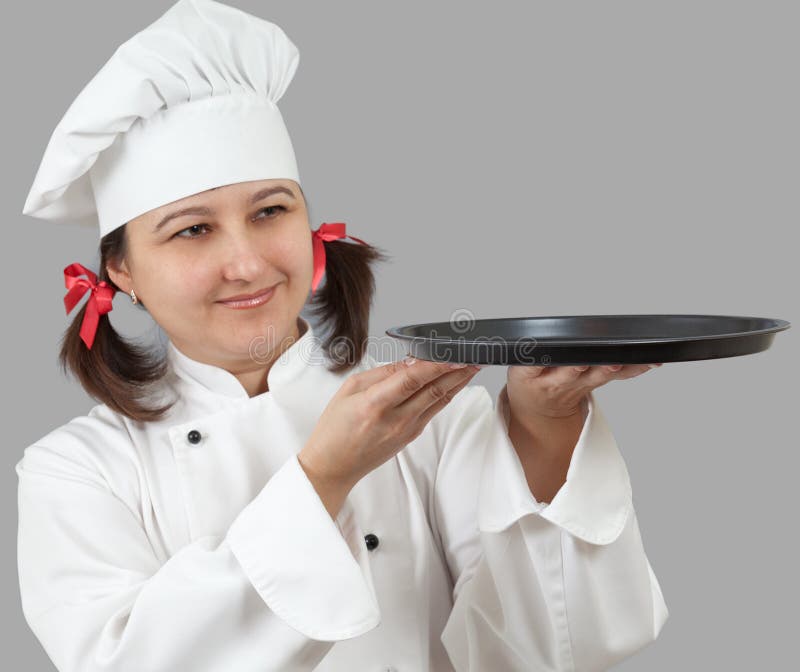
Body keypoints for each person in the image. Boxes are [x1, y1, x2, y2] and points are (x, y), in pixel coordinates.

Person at [16, 1, 668, 670]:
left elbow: (559, 646)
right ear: (121, 270)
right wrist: (324, 477)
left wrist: (545, 425)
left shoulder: (433, 420)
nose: (248, 263)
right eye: (192, 229)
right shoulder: (79, 472)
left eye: (271, 211)